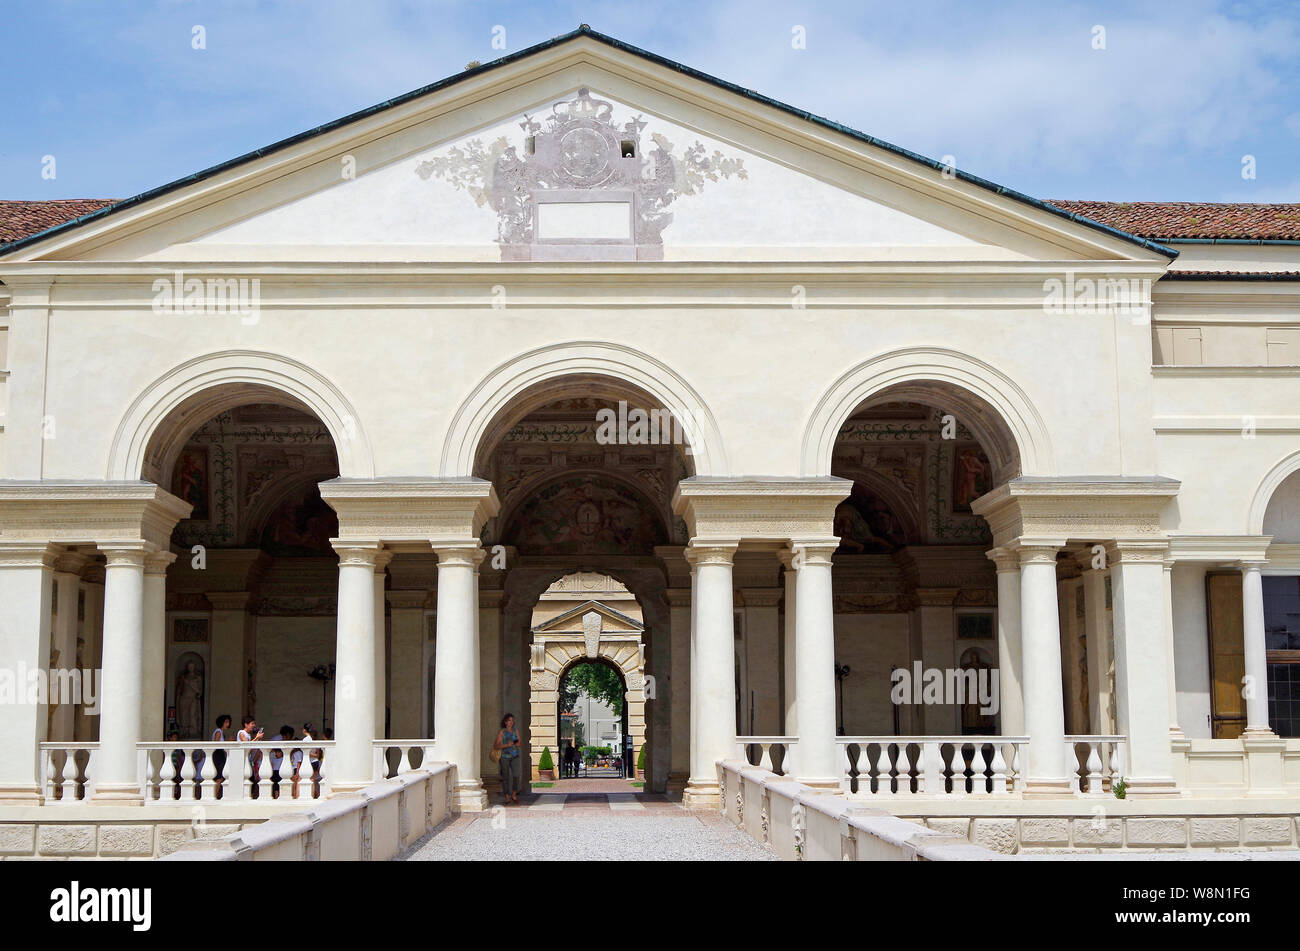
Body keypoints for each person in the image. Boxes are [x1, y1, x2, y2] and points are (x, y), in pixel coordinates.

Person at [493, 713, 522, 804]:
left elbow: (520, 743)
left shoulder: (515, 731)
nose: (511, 722)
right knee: (506, 777)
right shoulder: (502, 732)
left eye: (512, 720)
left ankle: (514, 794)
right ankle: (507, 796)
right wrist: (507, 745)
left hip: (515, 756)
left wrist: (517, 743)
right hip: (505, 757)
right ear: (505, 722)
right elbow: (496, 745)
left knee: (516, 775)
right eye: (509, 720)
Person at [237, 716, 264, 797]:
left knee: (252, 779)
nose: (253, 725)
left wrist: (257, 739)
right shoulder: (241, 733)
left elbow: (251, 749)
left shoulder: (248, 735)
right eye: (252, 723)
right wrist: (256, 738)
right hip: (242, 759)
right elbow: (247, 745)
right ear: (246, 724)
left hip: (248, 759)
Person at [211, 714, 232, 798]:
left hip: (220, 754)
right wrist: (227, 742)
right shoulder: (218, 731)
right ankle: (215, 795)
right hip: (218, 755)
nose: (228, 724)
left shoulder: (221, 732)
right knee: (219, 777)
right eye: (226, 722)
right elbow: (216, 744)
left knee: (221, 777)